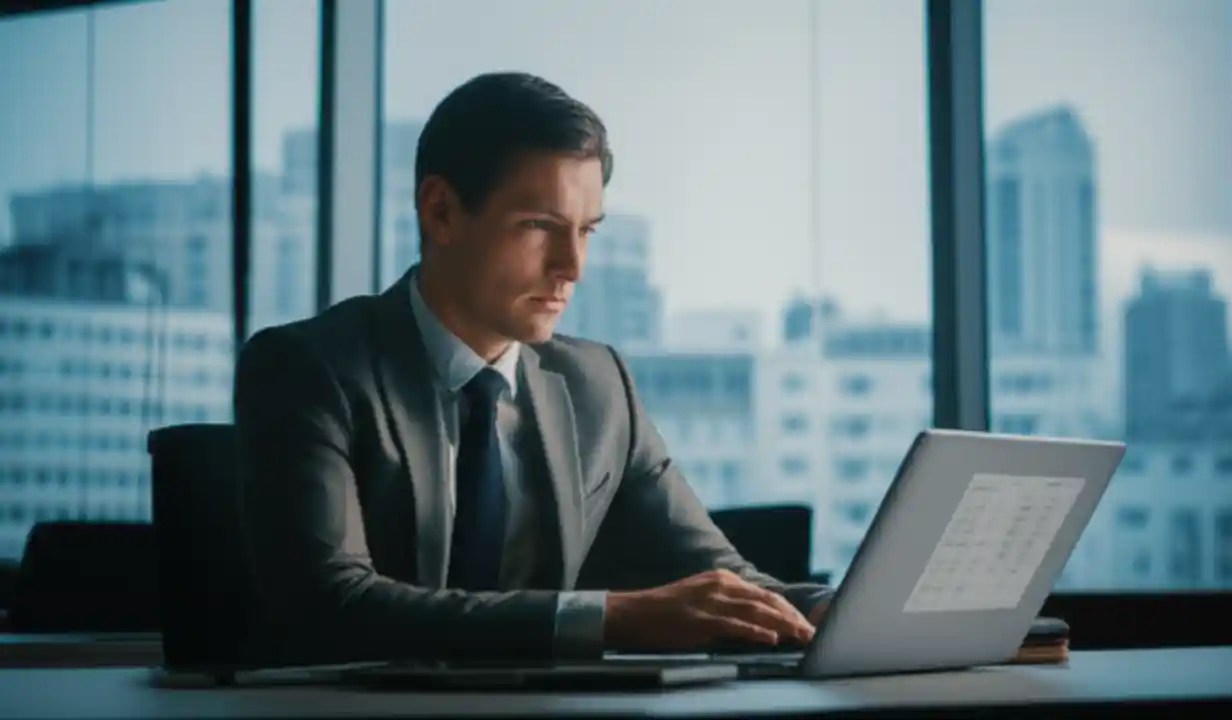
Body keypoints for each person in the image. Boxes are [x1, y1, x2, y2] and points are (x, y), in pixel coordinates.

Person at [234, 72, 830, 662]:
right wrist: (608, 619)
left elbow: (720, 579)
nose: (573, 266)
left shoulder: (597, 385)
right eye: (539, 227)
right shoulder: (309, 369)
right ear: (441, 212)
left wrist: (838, 610)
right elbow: (332, 604)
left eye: (586, 231)